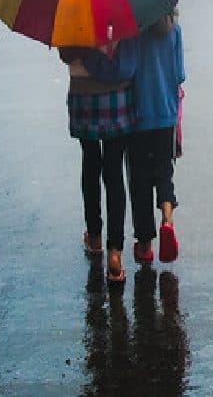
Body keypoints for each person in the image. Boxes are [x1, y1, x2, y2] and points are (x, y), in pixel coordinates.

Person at [80, 9, 186, 267]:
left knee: (139, 180)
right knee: (163, 170)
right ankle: (168, 218)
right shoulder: (175, 30)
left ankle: (145, 245)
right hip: (166, 115)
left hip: (138, 116)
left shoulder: (133, 33)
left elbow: (125, 70)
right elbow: (180, 74)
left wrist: (93, 59)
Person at [61, 46, 135, 285]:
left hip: (84, 97)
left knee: (90, 163)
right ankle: (115, 253)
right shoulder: (122, 8)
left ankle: (94, 236)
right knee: (114, 170)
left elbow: (66, 54)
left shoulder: (71, 11)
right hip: (118, 95)